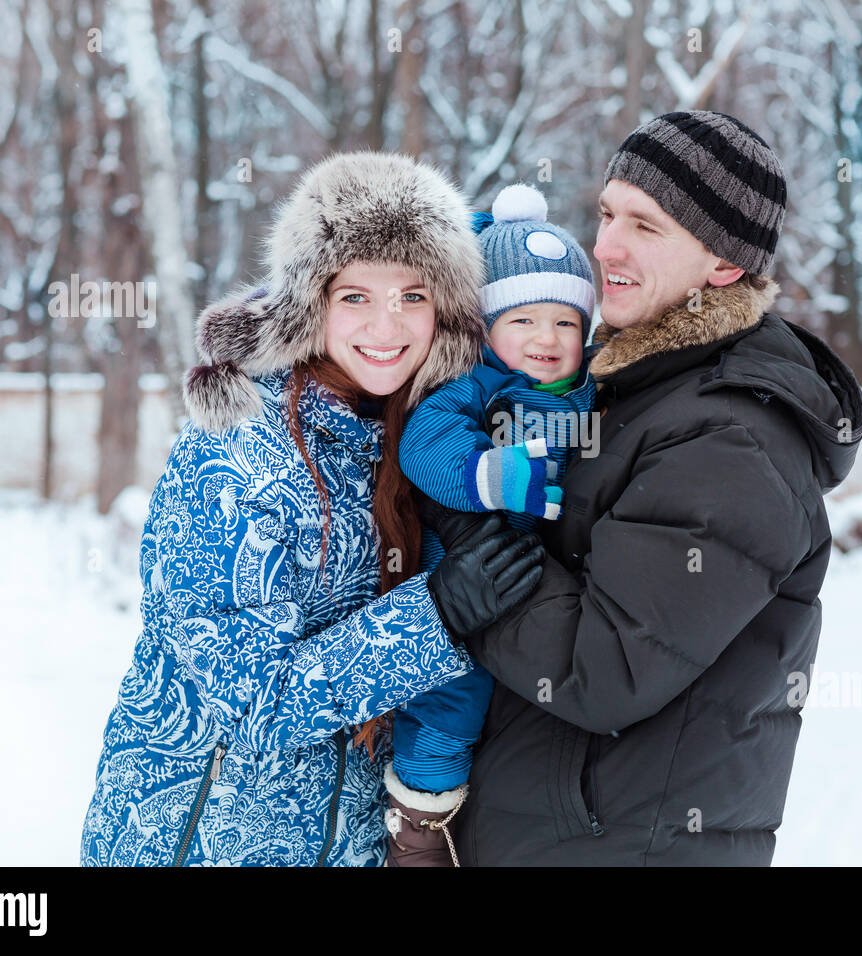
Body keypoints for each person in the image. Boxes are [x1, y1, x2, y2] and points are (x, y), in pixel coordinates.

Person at [78, 151, 544, 867]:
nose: (387, 327)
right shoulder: (237, 453)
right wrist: (437, 614)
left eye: (413, 296)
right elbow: (254, 702)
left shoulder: (412, 439)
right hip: (193, 844)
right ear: (309, 304)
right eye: (355, 296)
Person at [436, 110, 862, 865]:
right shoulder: (629, 386)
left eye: (647, 225)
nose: (605, 246)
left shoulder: (733, 438)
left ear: (724, 266)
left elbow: (600, 670)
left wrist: (465, 525)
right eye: (606, 213)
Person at [378, 183, 598, 865]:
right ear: (487, 328)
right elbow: (424, 447)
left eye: (565, 323)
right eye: (524, 321)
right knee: (453, 701)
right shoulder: (476, 385)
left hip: (543, 591)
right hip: (469, 579)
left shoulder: (596, 387)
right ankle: (419, 823)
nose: (546, 339)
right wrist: (489, 476)